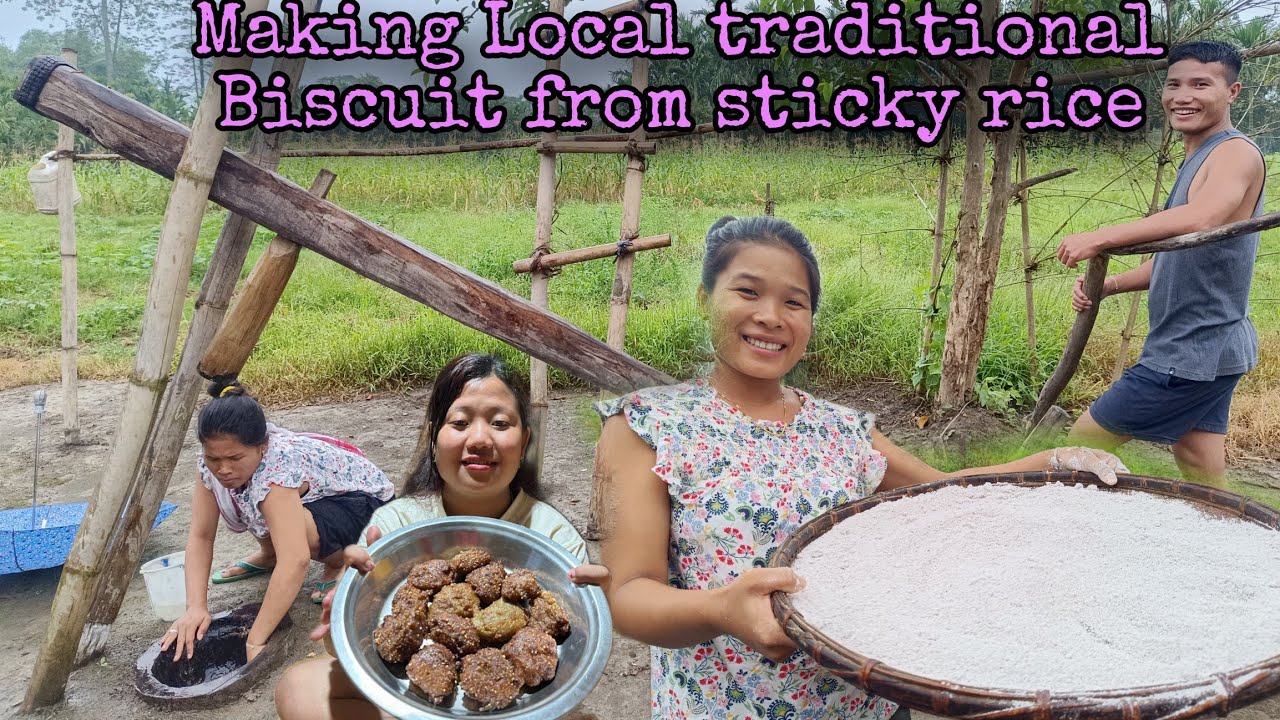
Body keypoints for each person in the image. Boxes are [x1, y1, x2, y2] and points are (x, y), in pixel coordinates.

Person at [595, 215, 1125, 720]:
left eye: (794, 303)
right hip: (721, 705)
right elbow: (627, 595)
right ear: (705, 297)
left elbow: (947, 493)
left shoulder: (841, 429)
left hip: (865, 703)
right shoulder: (646, 426)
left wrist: (1052, 463)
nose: (771, 317)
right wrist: (721, 610)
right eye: (748, 292)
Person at [274, 353, 601, 720]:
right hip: (420, 693)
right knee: (299, 688)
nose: (479, 438)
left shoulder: (553, 535)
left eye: (499, 422)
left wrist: (591, 612)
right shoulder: (397, 522)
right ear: (434, 438)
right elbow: (351, 648)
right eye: (460, 422)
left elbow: (573, 662)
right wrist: (340, 618)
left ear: (524, 441)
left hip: (519, 705)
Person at [1056, 40, 1266, 488]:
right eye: (1174, 85)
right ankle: (1221, 538)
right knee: (1197, 458)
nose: (1183, 96)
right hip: (1213, 348)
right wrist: (1107, 285)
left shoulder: (1234, 153)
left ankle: (1067, 539)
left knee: (1081, 444)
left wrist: (1099, 237)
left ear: (1232, 92)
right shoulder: (1199, 155)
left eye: (1200, 84)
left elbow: (1204, 214)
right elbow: (1178, 262)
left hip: (1192, 351)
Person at [160, 380, 395, 662]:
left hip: (366, 506)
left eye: (235, 457)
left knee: (283, 519)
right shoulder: (210, 466)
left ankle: (338, 560)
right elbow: (200, 536)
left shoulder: (277, 468)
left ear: (262, 446)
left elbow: (296, 561)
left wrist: (255, 639)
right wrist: (195, 607)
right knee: (254, 501)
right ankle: (270, 553)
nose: (223, 469)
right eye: (214, 458)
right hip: (311, 499)